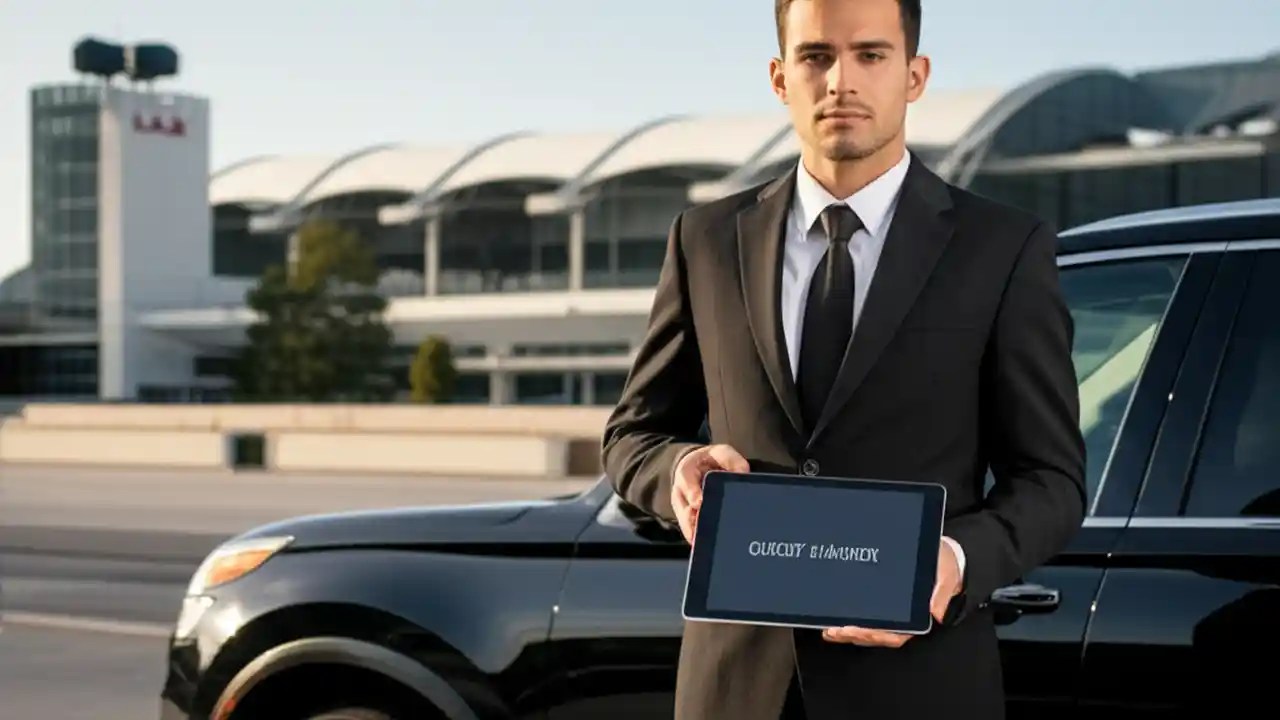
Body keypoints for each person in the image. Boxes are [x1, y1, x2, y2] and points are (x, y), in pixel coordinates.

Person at [600, 0, 1087, 718]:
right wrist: (676, 469)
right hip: (735, 690)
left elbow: (1052, 481)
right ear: (779, 77)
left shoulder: (1002, 250)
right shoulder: (704, 242)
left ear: (914, 75)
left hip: (920, 686)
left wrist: (953, 562)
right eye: (816, 56)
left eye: (871, 55)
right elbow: (630, 436)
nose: (840, 82)